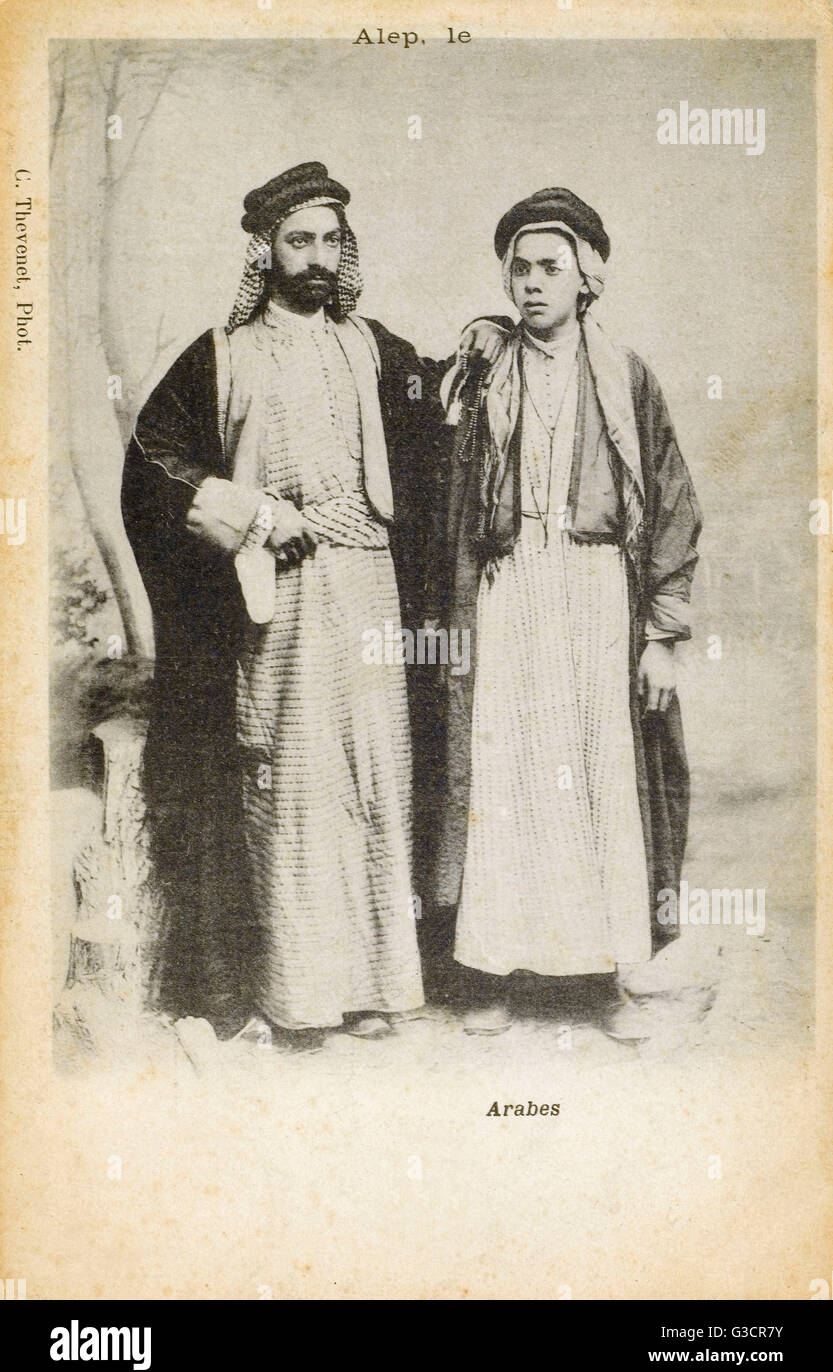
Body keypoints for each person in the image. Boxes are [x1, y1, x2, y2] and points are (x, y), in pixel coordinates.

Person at [121, 161, 502, 1044]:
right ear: (265, 251)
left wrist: (482, 337)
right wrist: (255, 511)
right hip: (277, 590)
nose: (318, 257)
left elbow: (442, 400)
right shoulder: (219, 355)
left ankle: (375, 985)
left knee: (375, 774)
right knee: (292, 781)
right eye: (300, 241)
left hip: (369, 582)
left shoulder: (371, 345)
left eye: (332, 240)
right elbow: (154, 462)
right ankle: (297, 992)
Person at [430, 187, 703, 1037]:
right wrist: (475, 340)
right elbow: (433, 470)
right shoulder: (480, 374)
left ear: (587, 277)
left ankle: (610, 978)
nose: (531, 284)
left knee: (599, 774)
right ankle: (493, 974)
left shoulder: (625, 376)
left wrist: (660, 635)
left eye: (550, 267)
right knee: (505, 772)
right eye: (518, 269)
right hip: (508, 593)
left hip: (597, 595)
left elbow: (670, 506)